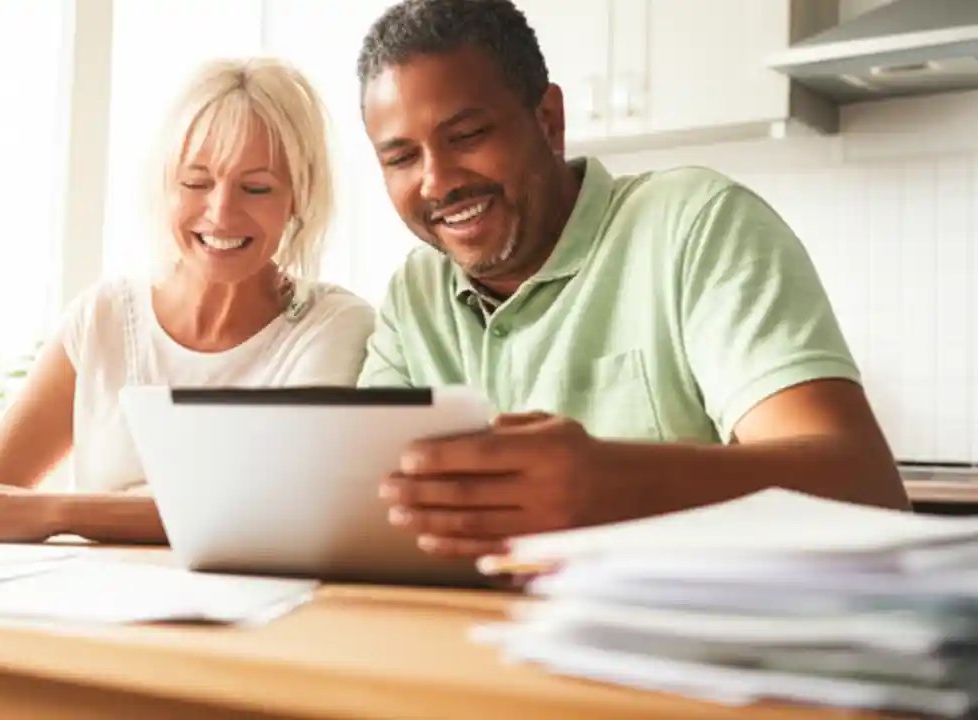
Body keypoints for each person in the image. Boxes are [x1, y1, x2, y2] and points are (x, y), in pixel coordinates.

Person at [356, 0, 908, 559]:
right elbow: (361, 505)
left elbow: (866, 490)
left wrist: (613, 482)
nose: (436, 182)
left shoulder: (694, 223)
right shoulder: (414, 294)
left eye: (468, 134)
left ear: (548, 120)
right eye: (401, 159)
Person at [0, 58, 374, 543]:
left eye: (256, 188)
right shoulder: (102, 318)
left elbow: (277, 509)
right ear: (165, 185)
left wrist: (60, 512)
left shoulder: (333, 327)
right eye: (196, 182)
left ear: (299, 197)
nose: (221, 212)